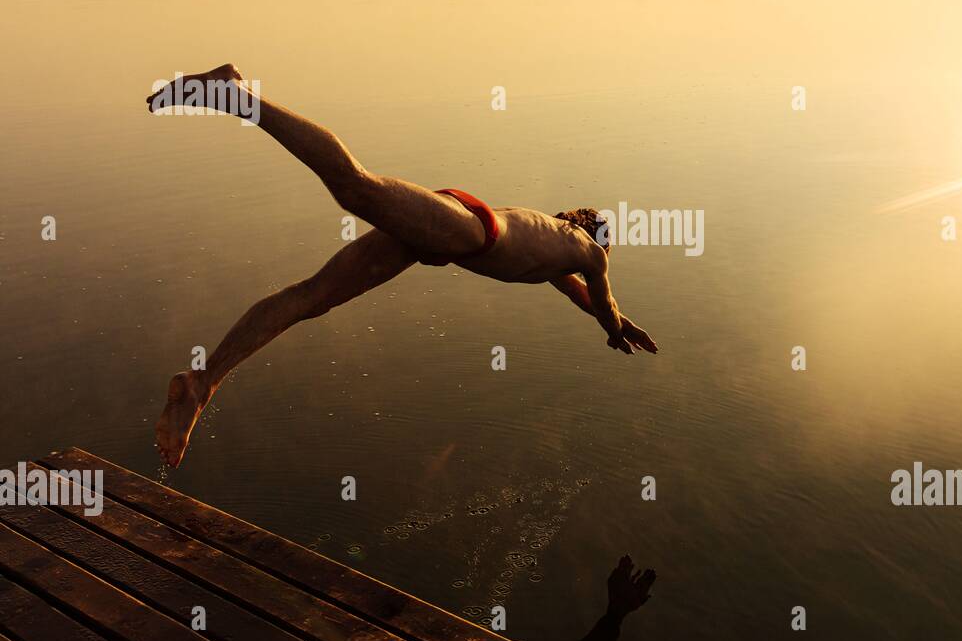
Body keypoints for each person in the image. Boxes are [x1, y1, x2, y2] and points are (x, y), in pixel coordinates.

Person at [148, 65, 657, 468]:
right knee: (355, 186)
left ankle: (203, 383)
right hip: (469, 229)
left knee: (312, 298)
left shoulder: (557, 254)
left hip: (444, 239)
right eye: (605, 255)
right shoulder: (584, 249)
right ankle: (237, 95)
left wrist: (615, 320)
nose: (601, 264)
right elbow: (602, 298)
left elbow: (584, 297)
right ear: (598, 240)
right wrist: (613, 329)